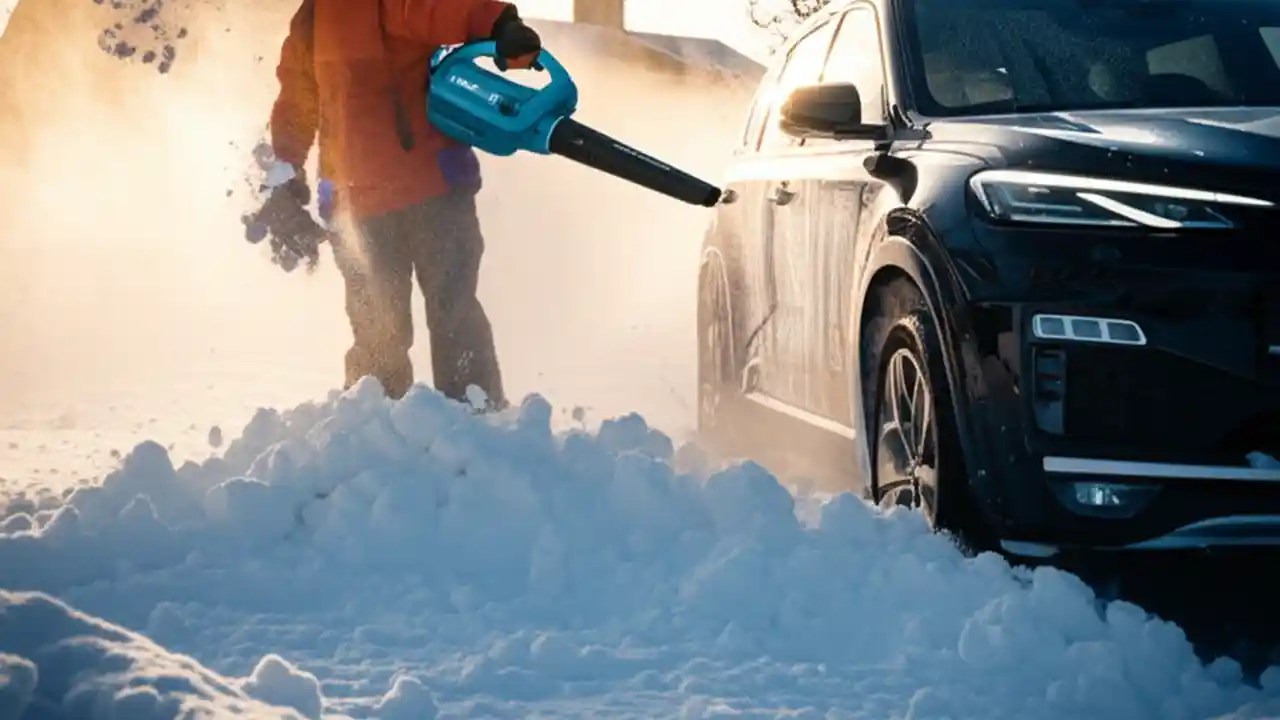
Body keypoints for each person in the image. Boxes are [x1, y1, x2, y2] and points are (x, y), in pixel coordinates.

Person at [245, 0, 542, 408]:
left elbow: (446, 9)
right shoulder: (312, 18)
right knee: (376, 331)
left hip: (433, 192)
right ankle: (376, 430)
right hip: (357, 209)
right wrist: (285, 174)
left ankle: (478, 421)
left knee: (453, 314)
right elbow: (297, 101)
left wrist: (499, 23)